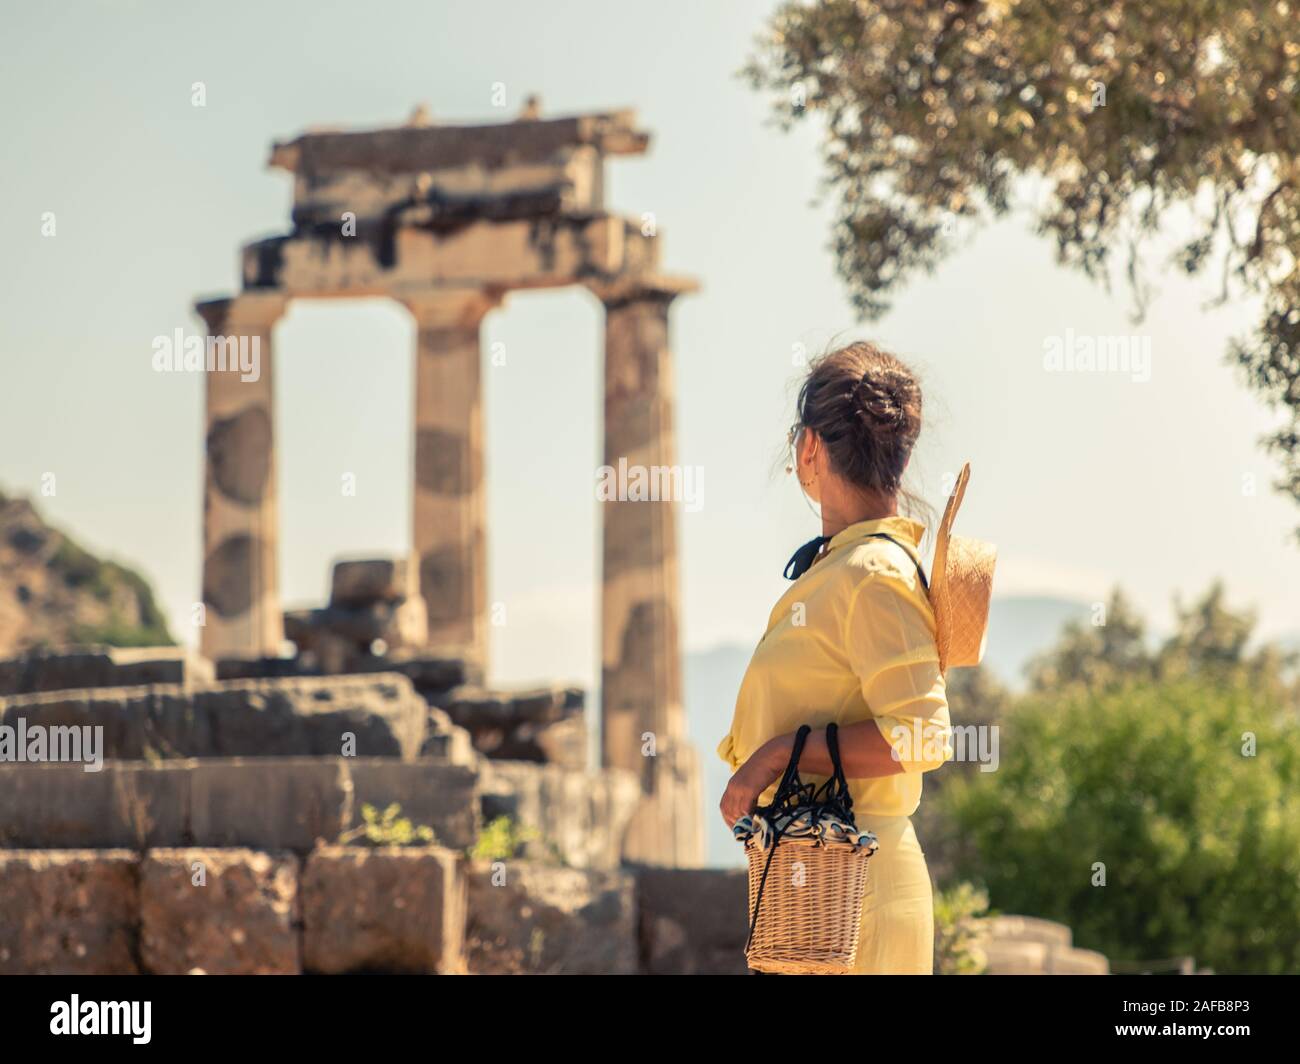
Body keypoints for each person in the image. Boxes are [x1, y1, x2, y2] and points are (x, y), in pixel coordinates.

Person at [717, 341, 953, 975]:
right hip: (816, 890)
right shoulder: (845, 565)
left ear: (810, 449)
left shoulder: (872, 570)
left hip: (857, 892)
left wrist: (776, 755)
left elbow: (922, 736)